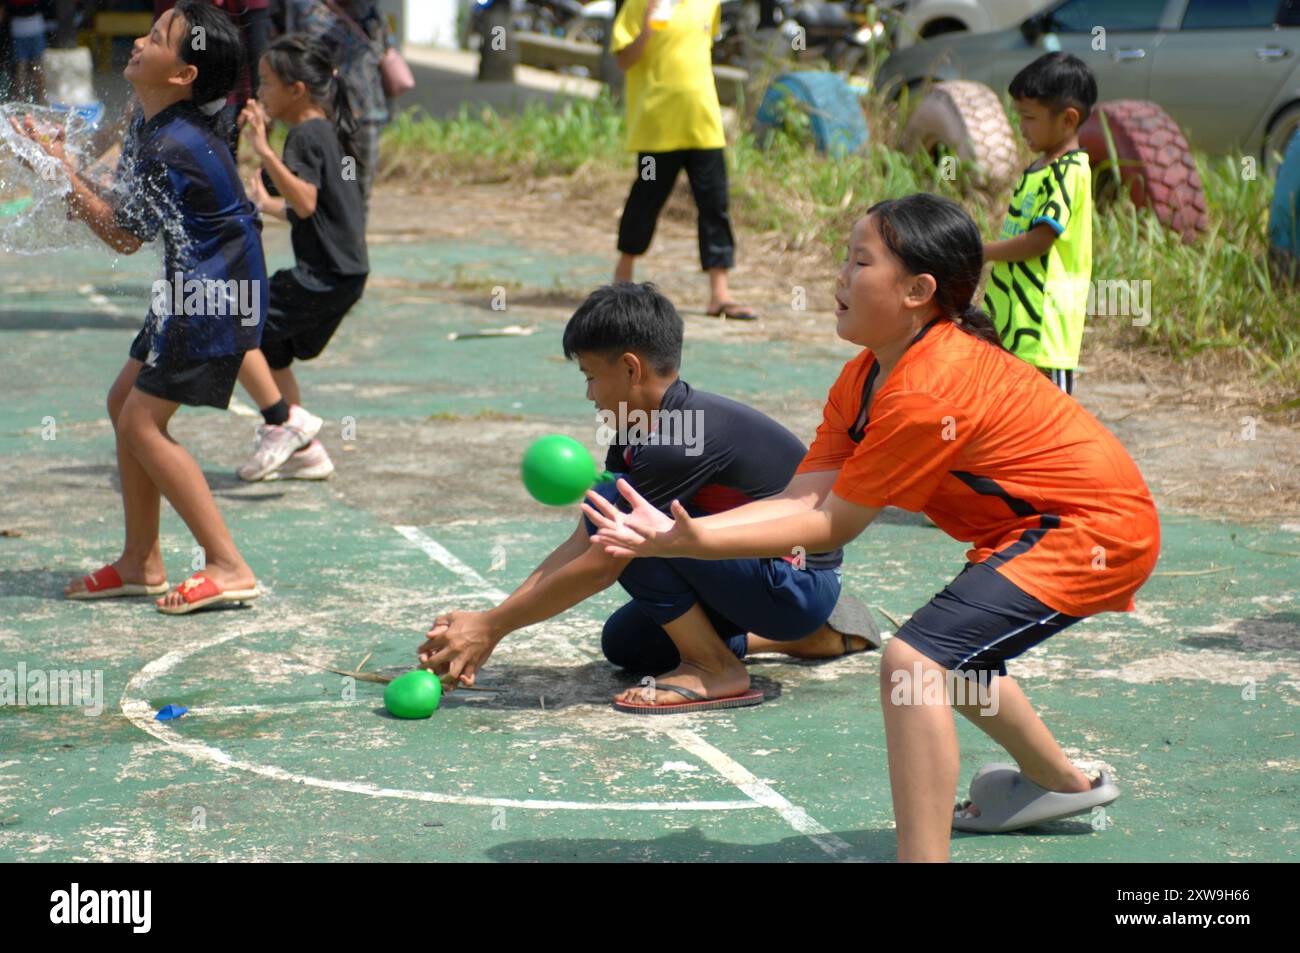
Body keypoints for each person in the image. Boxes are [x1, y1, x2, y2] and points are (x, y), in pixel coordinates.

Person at [585, 194, 1160, 859]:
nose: (839, 277)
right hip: (1033, 528)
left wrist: (694, 538)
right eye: (845, 258)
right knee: (953, 656)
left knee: (915, 661)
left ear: (919, 291)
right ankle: (1058, 782)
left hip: (1093, 531)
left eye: (861, 261)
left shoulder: (930, 386)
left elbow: (829, 524)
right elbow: (804, 497)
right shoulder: (864, 376)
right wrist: (683, 532)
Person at [417, 283, 878, 713]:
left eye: (591, 376)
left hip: (792, 584)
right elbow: (583, 540)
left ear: (631, 368)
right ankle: (806, 639)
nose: (589, 393)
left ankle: (716, 669)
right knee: (628, 646)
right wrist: (488, 622)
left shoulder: (679, 439)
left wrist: (490, 628)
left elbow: (603, 559)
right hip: (753, 579)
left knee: (628, 532)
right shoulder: (640, 426)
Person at [14, 2, 267, 613]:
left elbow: (124, 236)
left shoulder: (175, 142)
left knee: (141, 422)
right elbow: (127, 212)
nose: (138, 41)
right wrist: (68, 167)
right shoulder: (151, 125)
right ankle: (140, 560)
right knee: (123, 403)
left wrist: (56, 173)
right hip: (193, 285)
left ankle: (229, 564)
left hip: (215, 294)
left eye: (156, 38)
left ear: (182, 75)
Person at [233, 33, 369, 481]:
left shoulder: (306, 136)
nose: (259, 92)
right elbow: (306, 211)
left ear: (297, 90)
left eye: (268, 83)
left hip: (324, 274)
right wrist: (263, 200)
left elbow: (305, 202)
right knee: (272, 348)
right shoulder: (324, 130)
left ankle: (284, 423)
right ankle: (304, 450)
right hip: (345, 273)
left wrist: (264, 149)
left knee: (235, 322)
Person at [610, 0, 756, 321]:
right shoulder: (638, 5)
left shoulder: (709, 4)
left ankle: (720, 294)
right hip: (656, 125)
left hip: (703, 124)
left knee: (714, 203)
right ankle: (622, 279)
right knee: (645, 199)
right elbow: (624, 60)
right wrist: (647, 27)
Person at [982, 52, 1097, 396]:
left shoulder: (1069, 172)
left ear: (1068, 120)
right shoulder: (1039, 168)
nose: (1022, 126)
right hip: (1015, 321)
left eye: (1029, 117)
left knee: (1051, 418)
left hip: (1045, 327)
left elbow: (1040, 240)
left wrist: (984, 251)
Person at [277, 0, 389, 205]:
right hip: (322, 117)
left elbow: (383, 47)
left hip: (362, 116)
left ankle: (353, 233)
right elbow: (293, 55)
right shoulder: (301, 5)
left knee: (354, 192)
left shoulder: (368, 8)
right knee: (330, 194)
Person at [9, 0, 46, 103]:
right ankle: (41, 98)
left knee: (21, 65)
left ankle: (20, 98)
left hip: (18, 26)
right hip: (34, 24)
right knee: (37, 64)